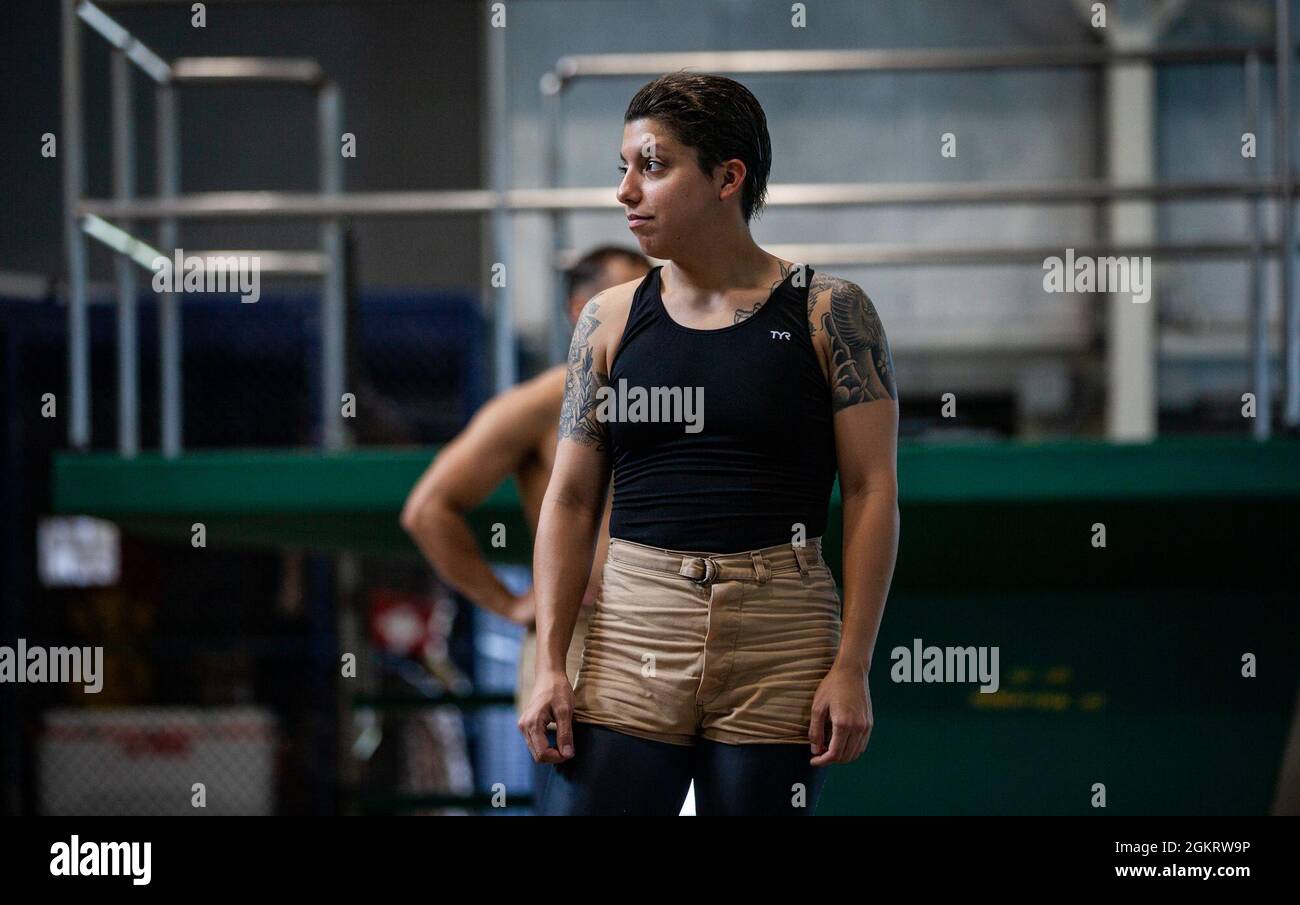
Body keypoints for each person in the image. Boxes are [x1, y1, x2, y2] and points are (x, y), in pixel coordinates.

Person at [519, 71, 900, 816]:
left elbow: (872, 490)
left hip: (781, 629)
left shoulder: (832, 313)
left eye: (651, 167)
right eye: (622, 169)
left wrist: (853, 664)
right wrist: (550, 664)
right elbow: (568, 497)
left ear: (729, 177)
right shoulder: (608, 320)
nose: (626, 191)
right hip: (635, 620)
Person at [400, 246, 651, 796]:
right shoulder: (544, 403)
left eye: (651, 296)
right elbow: (428, 511)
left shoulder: (678, 399)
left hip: (671, 631)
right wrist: (511, 603)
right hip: (580, 643)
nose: (649, 311)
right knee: (583, 800)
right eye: (630, 298)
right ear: (580, 309)